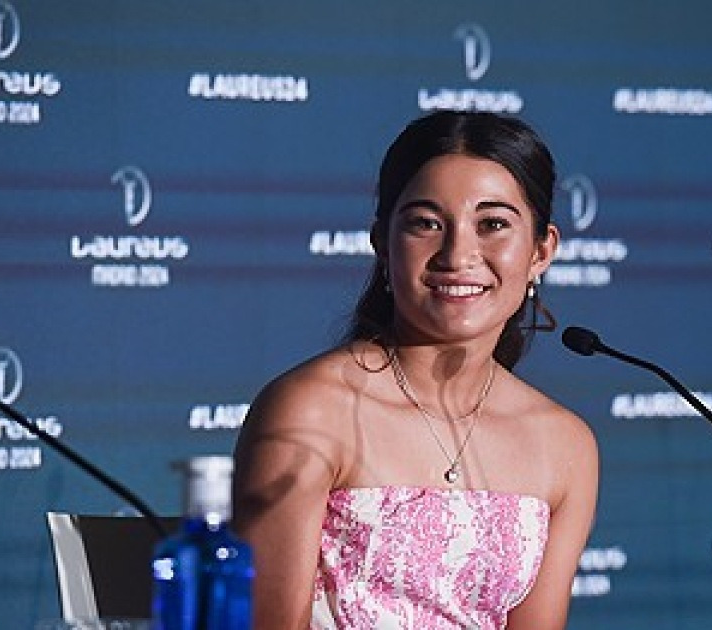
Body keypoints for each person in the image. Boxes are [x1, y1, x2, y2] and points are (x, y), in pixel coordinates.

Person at [231, 111, 600, 629]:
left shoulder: (564, 444)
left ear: (542, 250)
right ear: (382, 242)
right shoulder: (312, 410)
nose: (459, 254)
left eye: (492, 224)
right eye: (427, 223)